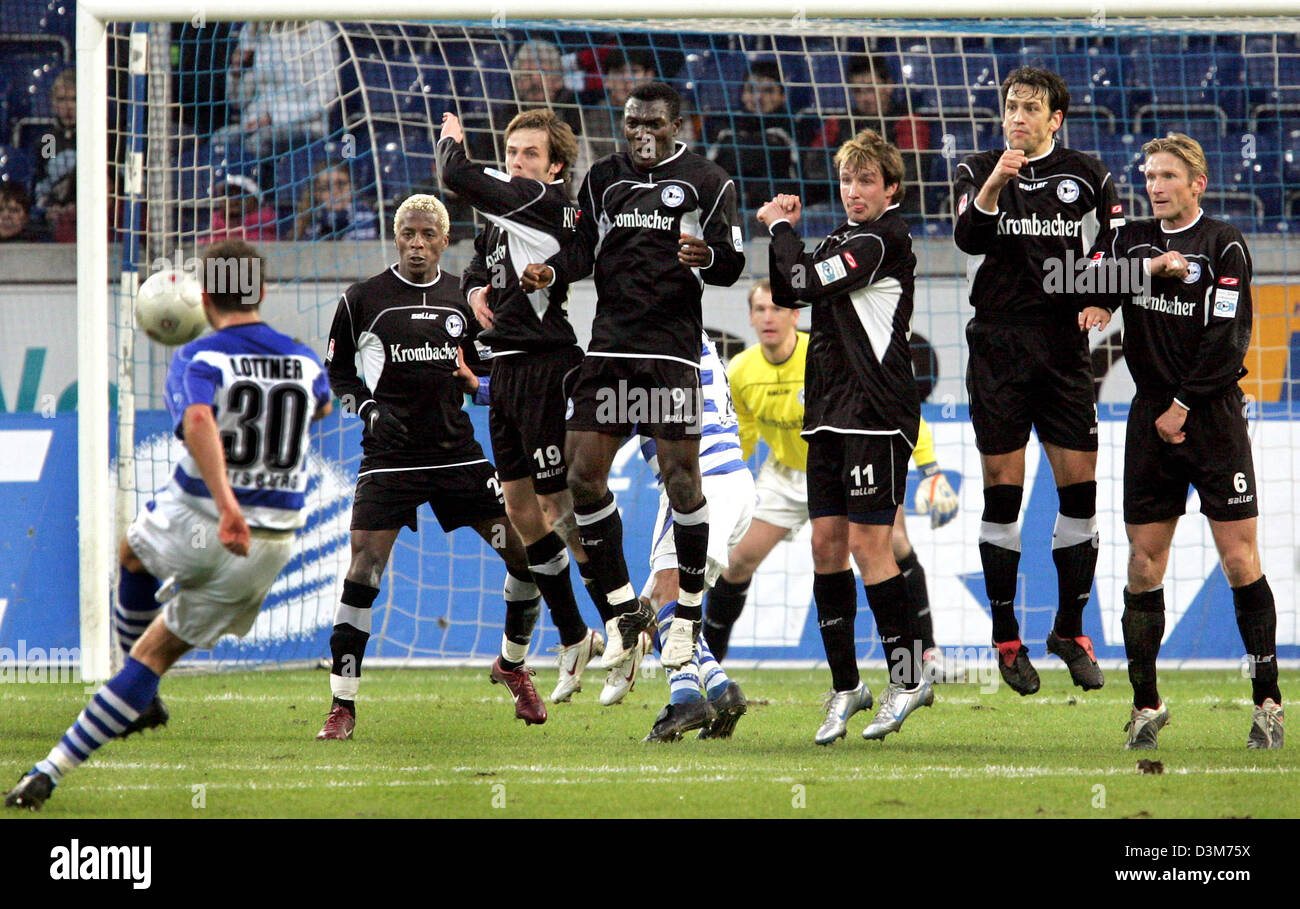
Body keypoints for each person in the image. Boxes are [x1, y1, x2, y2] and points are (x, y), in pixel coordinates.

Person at [5, 239, 333, 810]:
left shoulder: (200, 358)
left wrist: (229, 503)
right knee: (152, 654)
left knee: (130, 555)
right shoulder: (304, 361)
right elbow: (323, 407)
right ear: (262, 291)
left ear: (203, 298)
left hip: (203, 514)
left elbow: (199, 418)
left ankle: (109, 725)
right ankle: (52, 768)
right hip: (270, 540)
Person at [520, 81, 745, 676]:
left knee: (680, 479)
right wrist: (550, 271)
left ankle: (690, 612)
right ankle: (624, 608)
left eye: (654, 123)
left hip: (670, 352)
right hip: (612, 348)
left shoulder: (708, 180)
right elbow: (580, 252)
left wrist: (710, 259)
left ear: (676, 124)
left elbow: (733, 263)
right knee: (582, 476)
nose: (641, 133)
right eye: (632, 122)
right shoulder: (601, 179)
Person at [315, 194, 554, 740]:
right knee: (364, 571)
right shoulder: (362, 299)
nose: (417, 243)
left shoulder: (466, 303)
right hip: (390, 460)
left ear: (445, 242)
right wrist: (369, 410)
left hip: (458, 456)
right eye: (408, 234)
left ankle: (512, 666)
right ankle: (342, 705)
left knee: (524, 555)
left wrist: (486, 386)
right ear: (395, 238)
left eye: (428, 235)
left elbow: (496, 376)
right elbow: (339, 376)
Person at [1079, 134, 1284, 750]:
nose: (1155, 185)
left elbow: (1228, 338)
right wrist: (1101, 301)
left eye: (1168, 175)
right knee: (1143, 563)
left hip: (1211, 416)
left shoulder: (1224, 243)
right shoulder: (1130, 237)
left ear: (1197, 183)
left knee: (1239, 560)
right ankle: (1146, 706)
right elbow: (1071, 279)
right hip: (1150, 418)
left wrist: (1183, 406)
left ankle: (1268, 702)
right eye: (1148, 175)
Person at [953, 66, 1125, 696]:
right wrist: (998, 182)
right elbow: (968, 237)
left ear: (1056, 119)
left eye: (1030, 108)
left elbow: (1114, 244)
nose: (1017, 116)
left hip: (1062, 347)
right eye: (1010, 106)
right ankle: (1005, 638)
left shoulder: (1087, 174)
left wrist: (1103, 299)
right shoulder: (979, 169)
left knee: (1079, 490)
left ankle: (1070, 629)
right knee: (1005, 492)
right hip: (997, 343)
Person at [758, 128, 932, 745]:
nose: (854, 191)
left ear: (891, 188)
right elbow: (789, 286)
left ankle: (910, 678)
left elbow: (800, 282)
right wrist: (788, 240)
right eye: (848, 180)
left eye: (867, 181)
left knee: (869, 546)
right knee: (825, 546)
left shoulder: (886, 238)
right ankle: (846, 686)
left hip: (875, 412)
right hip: (828, 413)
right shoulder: (840, 238)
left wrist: (779, 229)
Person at [704, 279, 963, 684]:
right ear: (751, 318)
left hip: (850, 464)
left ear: (795, 314)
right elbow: (746, 428)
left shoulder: (821, 354)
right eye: (760, 310)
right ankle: (709, 669)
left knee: (893, 545)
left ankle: (924, 654)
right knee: (736, 561)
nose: (768, 317)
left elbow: (892, 405)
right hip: (788, 475)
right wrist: (725, 475)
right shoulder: (740, 370)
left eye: (777, 308)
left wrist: (930, 468)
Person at [436, 108, 604, 705]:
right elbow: (477, 265)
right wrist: (478, 289)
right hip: (503, 371)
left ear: (554, 167)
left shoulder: (543, 201)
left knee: (560, 505)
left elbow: (455, 175)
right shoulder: (503, 219)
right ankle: (574, 633)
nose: (517, 162)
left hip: (546, 366)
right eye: (512, 152)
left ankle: (622, 613)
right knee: (521, 511)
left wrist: (452, 138)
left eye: (530, 153)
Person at [639, 332, 753, 741]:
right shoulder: (686, 331)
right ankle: (722, 690)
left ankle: (685, 698)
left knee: (668, 591)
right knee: (656, 603)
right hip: (729, 480)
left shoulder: (653, 339)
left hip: (701, 485)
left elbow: (606, 412)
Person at [801, 55, 932, 218]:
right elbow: (813, 168)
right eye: (857, 91)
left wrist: (852, 175)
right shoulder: (838, 122)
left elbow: (911, 173)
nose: (865, 98)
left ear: (888, 86)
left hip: (897, 209)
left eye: (870, 89)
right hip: (843, 206)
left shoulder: (908, 122)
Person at [213, 21, 338, 157]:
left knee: (258, 142)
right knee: (219, 139)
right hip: (254, 124)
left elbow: (324, 102)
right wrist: (237, 72)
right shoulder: (251, 30)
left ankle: (260, 178)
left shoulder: (318, 31)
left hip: (305, 125)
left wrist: (272, 118)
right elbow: (238, 102)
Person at [707, 61, 800, 212]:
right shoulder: (723, 127)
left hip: (778, 212)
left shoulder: (794, 128)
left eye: (768, 91)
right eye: (751, 90)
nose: (758, 97)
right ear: (742, 95)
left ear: (782, 96)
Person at [31, 68, 76, 242]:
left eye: (74, 99)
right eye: (62, 100)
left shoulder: (100, 139)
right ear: (53, 103)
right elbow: (43, 182)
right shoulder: (48, 140)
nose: (68, 106)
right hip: (58, 215)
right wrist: (48, 205)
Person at [293, 162, 379, 240]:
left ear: (353, 188)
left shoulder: (364, 215)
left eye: (341, 184)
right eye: (326, 187)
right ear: (316, 193)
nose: (335, 191)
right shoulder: (310, 220)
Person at [203, 175, 278, 243]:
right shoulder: (216, 225)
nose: (233, 200)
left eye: (240, 196)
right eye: (229, 195)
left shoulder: (265, 225)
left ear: (255, 201)